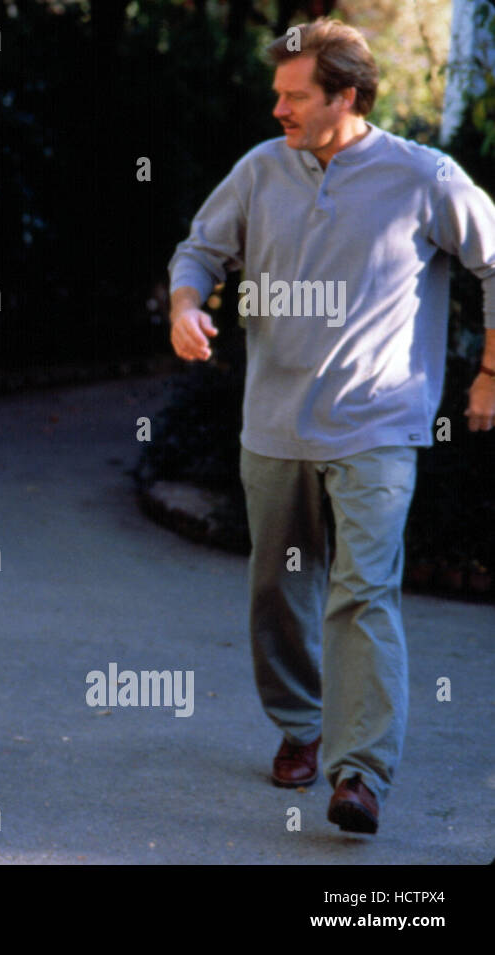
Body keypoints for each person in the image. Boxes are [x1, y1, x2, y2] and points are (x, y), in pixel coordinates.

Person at [167, 17, 495, 834]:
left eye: (294, 95)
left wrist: (491, 372)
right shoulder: (259, 171)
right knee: (278, 590)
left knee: (364, 592)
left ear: (345, 97)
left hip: (377, 427)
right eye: (277, 93)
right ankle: (300, 724)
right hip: (274, 425)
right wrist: (184, 306)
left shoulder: (424, 176)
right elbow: (199, 251)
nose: (277, 108)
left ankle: (360, 772)